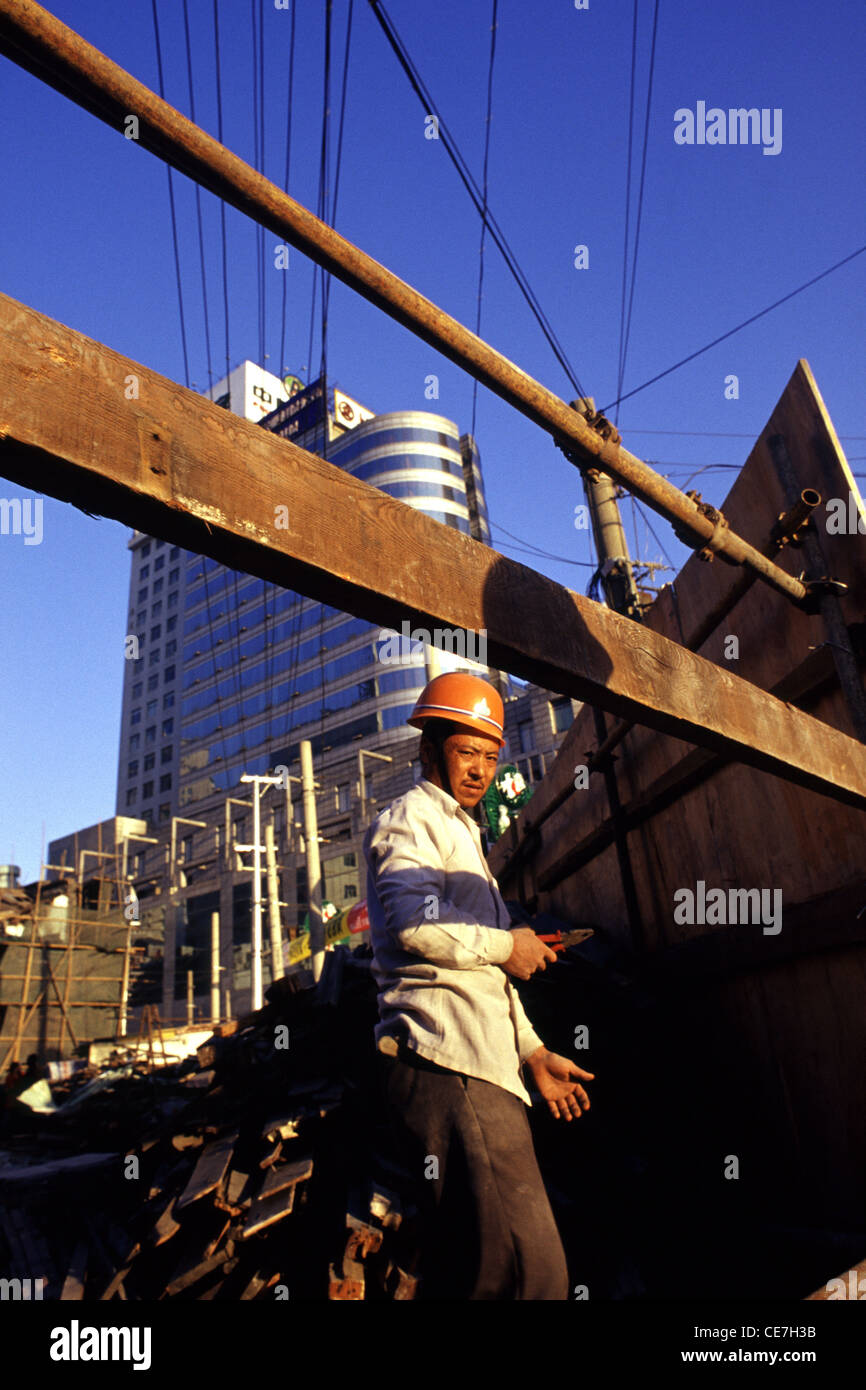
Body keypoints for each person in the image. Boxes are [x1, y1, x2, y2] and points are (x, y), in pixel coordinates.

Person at [363, 671, 595, 1300]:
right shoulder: (411, 821)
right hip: (448, 1063)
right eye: (467, 753)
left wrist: (531, 1052)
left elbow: (488, 972)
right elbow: (415, 926)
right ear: (429, 749)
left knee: (487, 1271)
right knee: (531, 1274)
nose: (481, 770)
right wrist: (505, 944)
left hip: (481, 1067)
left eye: (491, 757)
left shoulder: (465, 833)